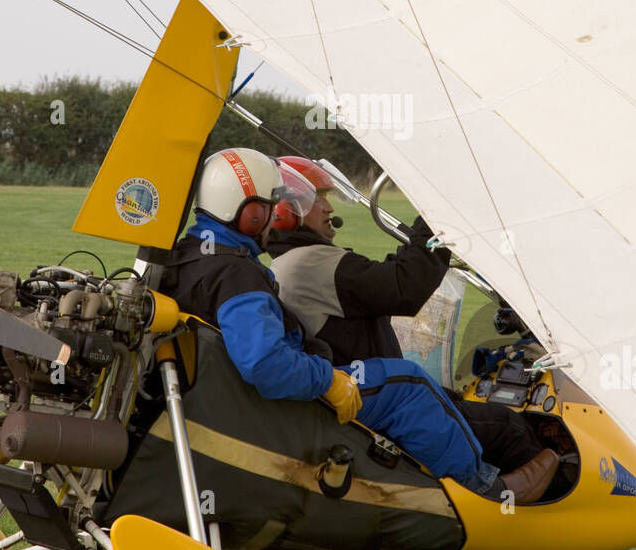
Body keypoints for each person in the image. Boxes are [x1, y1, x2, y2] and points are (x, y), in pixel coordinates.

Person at [158, 147, 507, 498]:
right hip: (277, 410)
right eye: (269, 206)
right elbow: (264, 363)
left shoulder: (185, 257)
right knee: (408, 383)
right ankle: (482, 489)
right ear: (250, 213)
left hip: (230, 407)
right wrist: (328, 380)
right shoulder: (236, 275)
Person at [267, 156, 558, 504]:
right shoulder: (311, 263)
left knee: (449, 399)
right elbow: (403, 287)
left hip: (361, 398)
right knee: (508, 427)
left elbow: (377, 283)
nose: (329, 207)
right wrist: (434, 223)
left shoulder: (287, 263)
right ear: (287, 211)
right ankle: (521, 506)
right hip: (379, 406)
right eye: (319, 199)